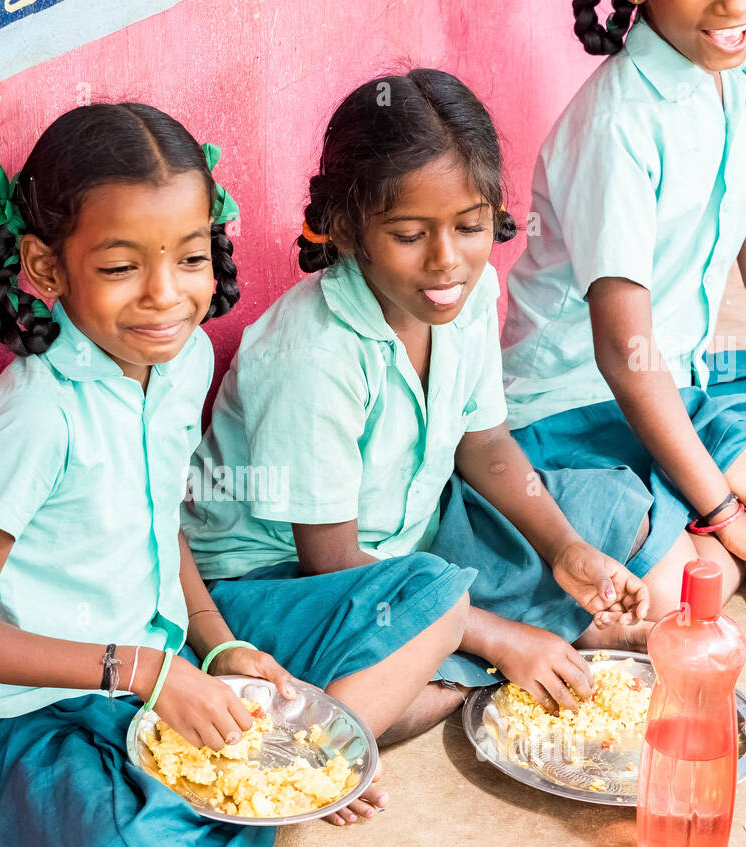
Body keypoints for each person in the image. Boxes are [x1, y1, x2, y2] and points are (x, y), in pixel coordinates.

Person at [0, 103, 471, 847]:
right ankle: (256, 785)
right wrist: (142, 673)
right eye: (123, 266)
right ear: (46, 268)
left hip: (168, 658)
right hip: (39, 717)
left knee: (434, 592)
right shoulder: (36, 415)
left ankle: (265, 771)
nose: (166, 296)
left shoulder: (183, 364)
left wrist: (221, 645)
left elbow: (157, 525)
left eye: (191, 258)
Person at [182, 70, 651, 754]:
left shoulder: (468, 290)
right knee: (421, 650)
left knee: (609, 505)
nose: (446, 261)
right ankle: (461, 656)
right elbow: (333, 561)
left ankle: (463, 647)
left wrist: (564, 549)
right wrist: (497, 633)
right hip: (279, 584)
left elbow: (485, 445)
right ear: (345, 228)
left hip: (411, 541)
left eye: (469, 225)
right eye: (409, 234)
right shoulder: (313, 352)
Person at [504, 0, 746, 608]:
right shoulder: (618, 122)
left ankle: (738, 463)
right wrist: (730, 519)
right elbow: (625, 356)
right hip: (575, 406)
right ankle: (738, 467)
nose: (735, 5)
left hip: (681, 383)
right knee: (680, 594)